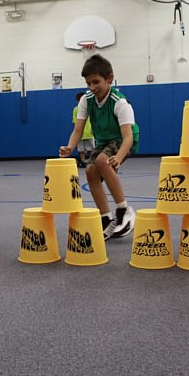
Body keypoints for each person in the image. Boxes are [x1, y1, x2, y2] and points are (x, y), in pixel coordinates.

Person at [59, 54, 139, 240]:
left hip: (124, 138)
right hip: (103, 140)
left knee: (103, 161)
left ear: (109, 78)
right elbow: (78, 129)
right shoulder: (86, 100)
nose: (91, 87)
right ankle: (106, 218)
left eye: (96, 82)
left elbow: (127, 138)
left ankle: (124, 210)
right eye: (88, 83)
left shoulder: (119, 103)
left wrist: (118, 158)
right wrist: (70, 147)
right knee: (90, 170)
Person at [72, 92, 95, 168]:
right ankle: (83, 161)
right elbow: (75, 122)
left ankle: (92, 161)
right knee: (81, 149)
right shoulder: (76, 109)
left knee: (91, 148)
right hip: (80, 134)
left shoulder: (90, 107)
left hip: (89, 132)